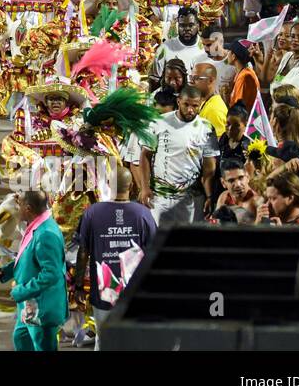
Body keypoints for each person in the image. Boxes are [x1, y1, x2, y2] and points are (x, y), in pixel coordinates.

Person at [74, 167, 156, 334]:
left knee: (104, 341)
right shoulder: (143, 214)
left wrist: (79, 285)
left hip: (104, 295)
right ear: (132, 185)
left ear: (109, 185)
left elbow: (83, 252)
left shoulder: (92, 213)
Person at [0, 190, 67, 352]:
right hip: (29, 305)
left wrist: (21, 291)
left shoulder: (46, 234)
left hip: (41, 306)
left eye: (18, 204)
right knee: (21, 338)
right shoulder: (37, 226)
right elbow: (29, 257)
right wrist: (7, 272)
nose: (15, 208)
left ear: (28, 208)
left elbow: (51, 274)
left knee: (42, 345)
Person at [138, 85, 217, 223]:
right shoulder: (158, 123)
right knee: (160, 240)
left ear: (201, 104)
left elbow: (209, 168)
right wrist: (144, 188)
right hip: (160, 197)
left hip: (191, 198)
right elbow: (145, 156)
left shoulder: (207, 128)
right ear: (179, 101)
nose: (190, 110)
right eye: (186, 104)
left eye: (195, 106)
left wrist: (209, 196)